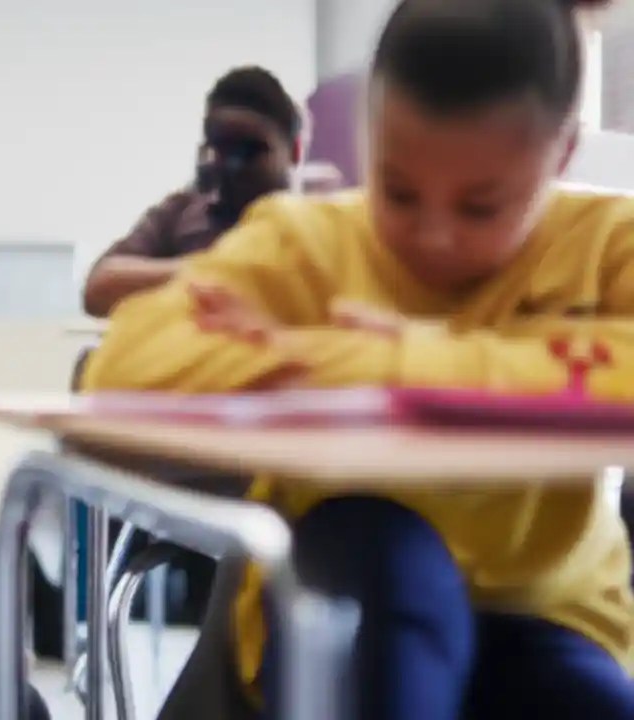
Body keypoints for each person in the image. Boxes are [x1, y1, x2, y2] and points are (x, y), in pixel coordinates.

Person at [83, 0, 634, 718]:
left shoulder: (604, 240)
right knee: (385, 575)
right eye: (400, 192)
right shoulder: (305, 239)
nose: (433, 237)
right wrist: (480, 360)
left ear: (560, 155)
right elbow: (124, 366)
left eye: (480, 207)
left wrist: (380, 353)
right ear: (369, 136)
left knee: (579, 700)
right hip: (355, 581)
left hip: (547, 603)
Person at [82, 66, 303, 319]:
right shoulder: (182, 211)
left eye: (249, 150)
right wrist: (219, 271)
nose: (232, 165)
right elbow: (99, 289)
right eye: (221, 148)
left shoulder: (314, 227)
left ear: (293, 151)